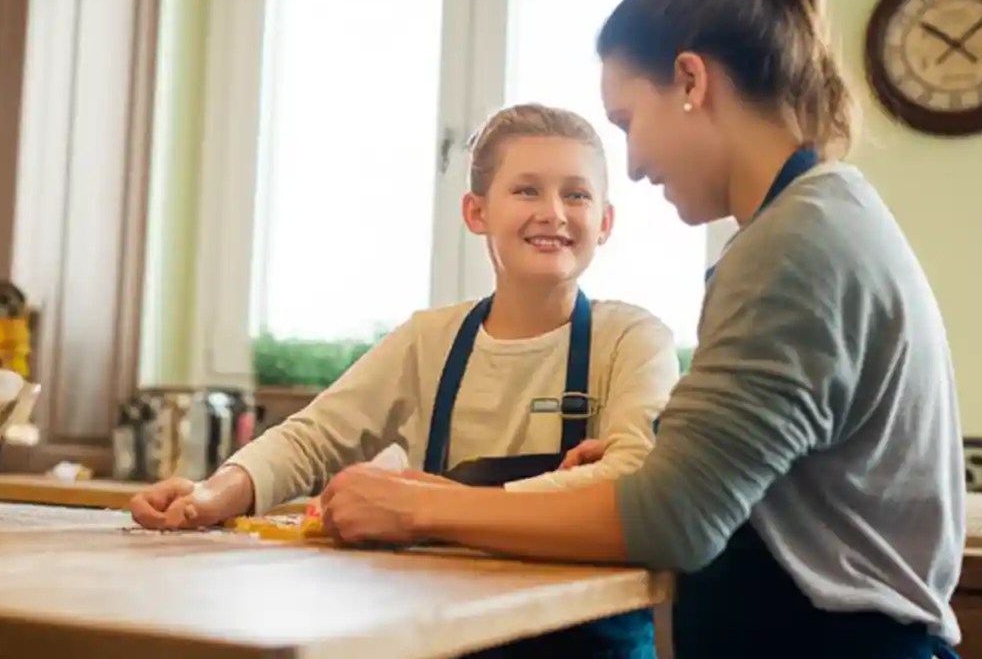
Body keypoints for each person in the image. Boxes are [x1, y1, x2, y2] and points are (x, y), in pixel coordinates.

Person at [316, 0, 965, 659]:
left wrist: (419, 506)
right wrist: (667, 455)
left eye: (626, 121)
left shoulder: (794, 245)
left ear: (691, 80)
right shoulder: (825, 214)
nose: (633, 163)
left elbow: (675, 521)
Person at [131, 103, 680, 654]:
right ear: (476, 211)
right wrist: (213, 493)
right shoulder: (429, 339)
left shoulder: (634, 340)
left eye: (577, 194)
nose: (554, 212)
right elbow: (314, 437)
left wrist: (434, 502)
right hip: (448, 636)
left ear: (605, 221)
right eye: (527, 190)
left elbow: (634, 478)